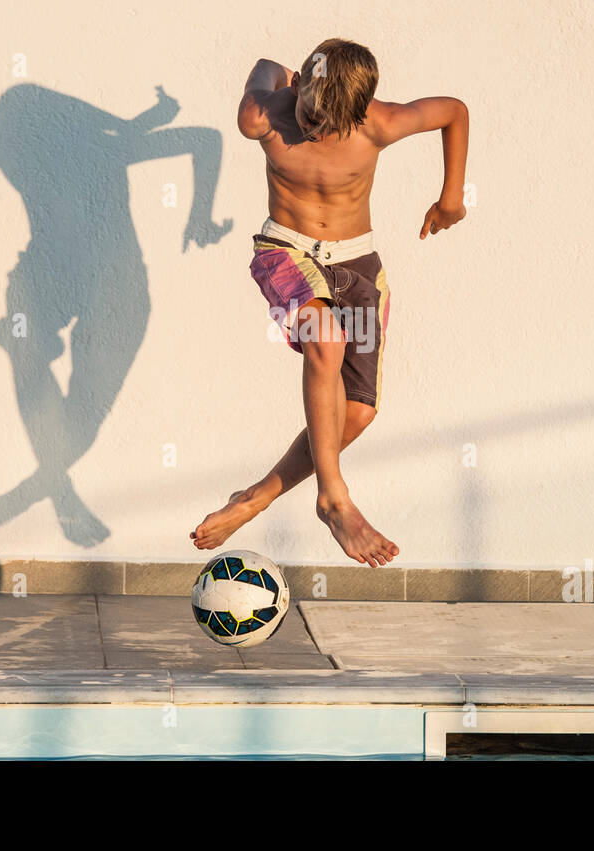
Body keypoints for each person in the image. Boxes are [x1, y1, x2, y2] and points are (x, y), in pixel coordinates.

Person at [191, 39, 469, 567]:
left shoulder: (378, 124)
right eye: (309, 115)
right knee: (326, 340)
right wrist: (278, 75)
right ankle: (333, 498)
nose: (314, 130)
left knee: (358, 413)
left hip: (359, 265)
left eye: (328, 124)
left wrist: (451, 197)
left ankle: (260, 495)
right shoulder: (263, 117)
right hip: (285, 252)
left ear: (359, 112)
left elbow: (454, 112)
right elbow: (264, 66)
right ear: (300, 87)